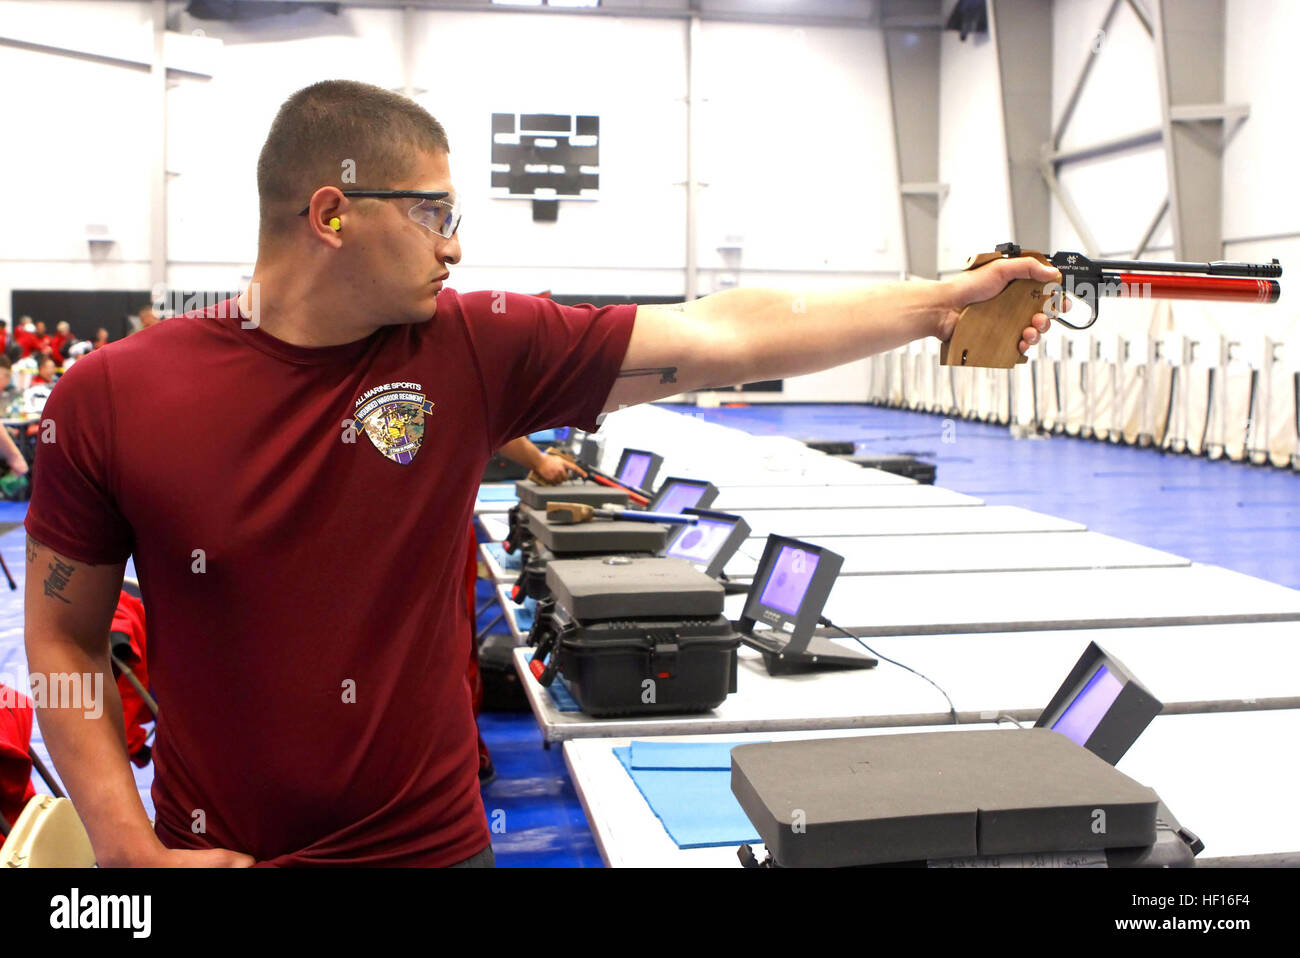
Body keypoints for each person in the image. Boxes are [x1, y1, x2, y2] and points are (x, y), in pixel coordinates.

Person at [24, 79, 1055, 869]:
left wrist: (936, 304)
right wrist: (122, 840)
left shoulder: (473, 348)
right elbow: (63, 635)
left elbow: (718, 332)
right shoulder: (114, 395)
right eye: (432, 213)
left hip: (435, 848)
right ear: (333, 215)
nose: (457, 246)